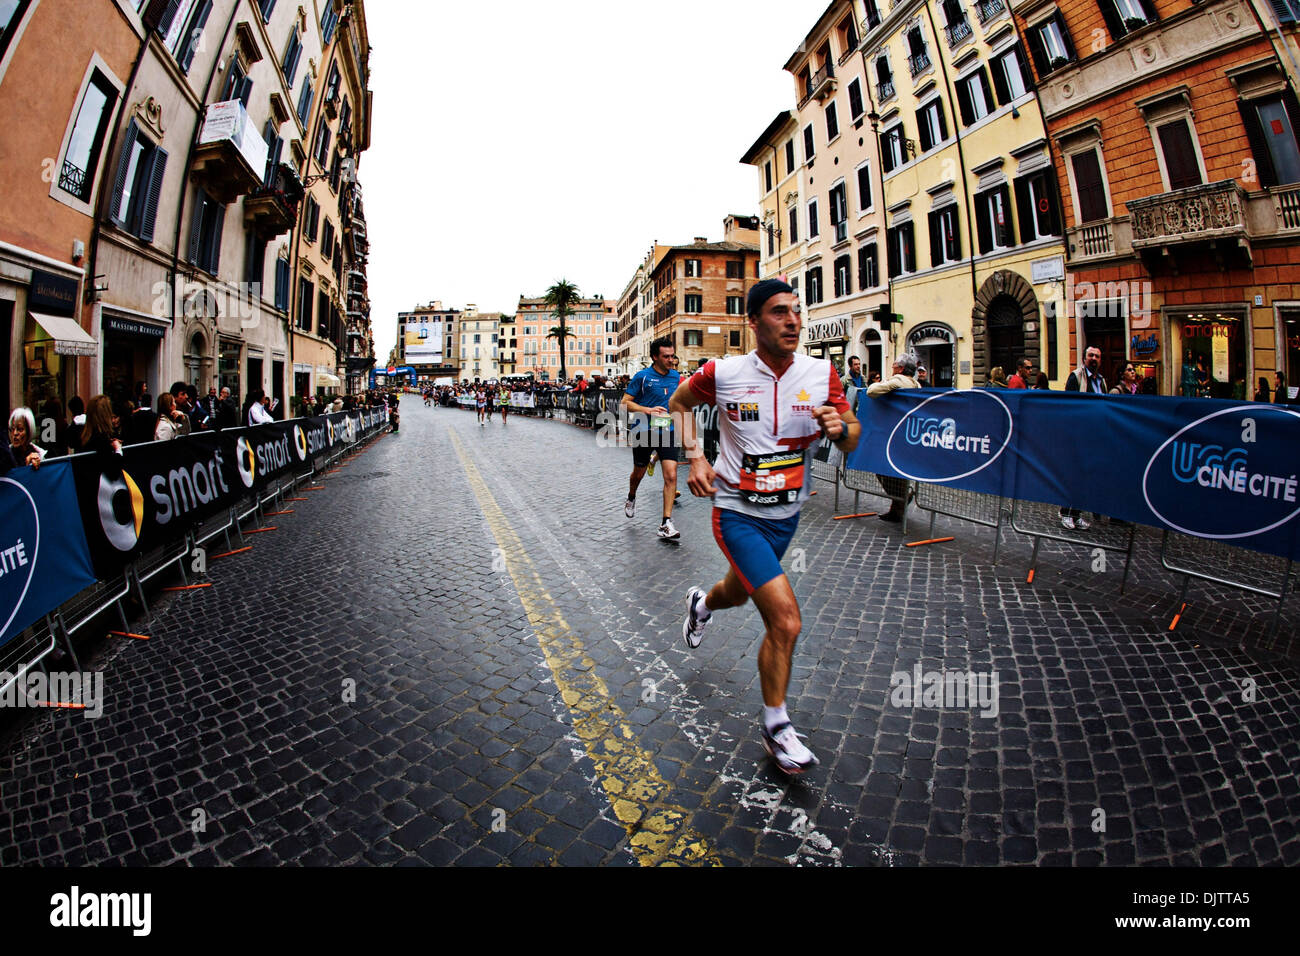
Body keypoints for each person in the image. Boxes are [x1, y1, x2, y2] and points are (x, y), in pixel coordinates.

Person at [669, 278, 859, 774]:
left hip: (787, 515)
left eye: (796, 311)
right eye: (779, 312)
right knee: (785, 620)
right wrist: (696, 458)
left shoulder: (822, 373)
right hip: (735, 511)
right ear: (753, 322)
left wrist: (841, 430)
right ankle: (778, 727)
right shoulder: (724, 372)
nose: (793, 320)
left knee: (737, 590)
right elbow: (680, 405)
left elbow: (853, 433)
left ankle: (701, 603)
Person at [622, 336, 682, 539]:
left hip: (667, 430)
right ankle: (631, 496)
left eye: (672, 356)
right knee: (638, 473)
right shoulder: (642, 377)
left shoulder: (676, 376)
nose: (671, 360)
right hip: (643, 430)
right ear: (655, 357)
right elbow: (625, 403)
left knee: (671, 475)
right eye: (666, 356)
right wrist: (647, 410)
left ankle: (665, 522)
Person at [866, 353, 921, 522]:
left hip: (893, 433)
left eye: (895, 365)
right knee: (897, 472)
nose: (892, 367)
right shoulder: (917, 384)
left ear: (901, 368)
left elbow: (871, 391)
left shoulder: (899, 381)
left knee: (883, 469)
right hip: (907, 433)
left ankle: (900, 499)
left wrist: (883, 383)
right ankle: (897, 507)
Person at [1060, 345, 1107, 529]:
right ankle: (1065, 512)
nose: (1094, 358)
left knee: (1085, 476)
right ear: (1084, 358)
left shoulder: (1102, 381)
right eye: (1090, 355)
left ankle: (1077, 513)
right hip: (1077, 434)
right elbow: (1068, 404)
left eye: (1097, 356)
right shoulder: (1076, 376)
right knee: (1073, 475)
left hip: (1094, 435)